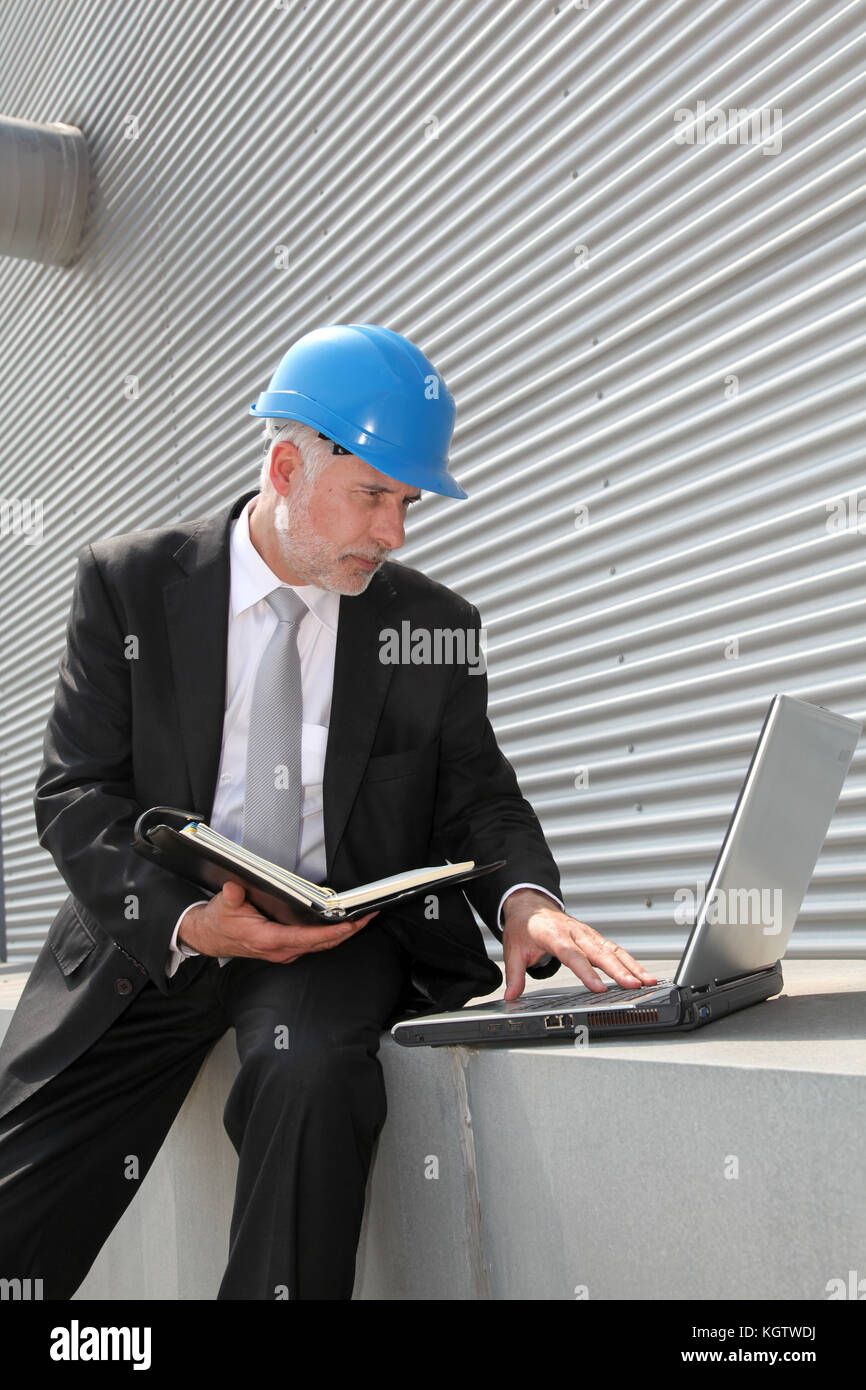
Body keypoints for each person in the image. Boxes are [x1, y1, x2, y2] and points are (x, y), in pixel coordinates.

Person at [0, 323, 656, 1300]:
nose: (393, 532)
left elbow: (476, 794)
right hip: (157, 933)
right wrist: (186, 921)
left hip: (328, 943)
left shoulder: (431, 625)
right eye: (372, 496)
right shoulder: (131, 585)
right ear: (284, 467)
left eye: (407, 503)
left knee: (311, 1078)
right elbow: (76, 795)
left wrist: (523, 899)